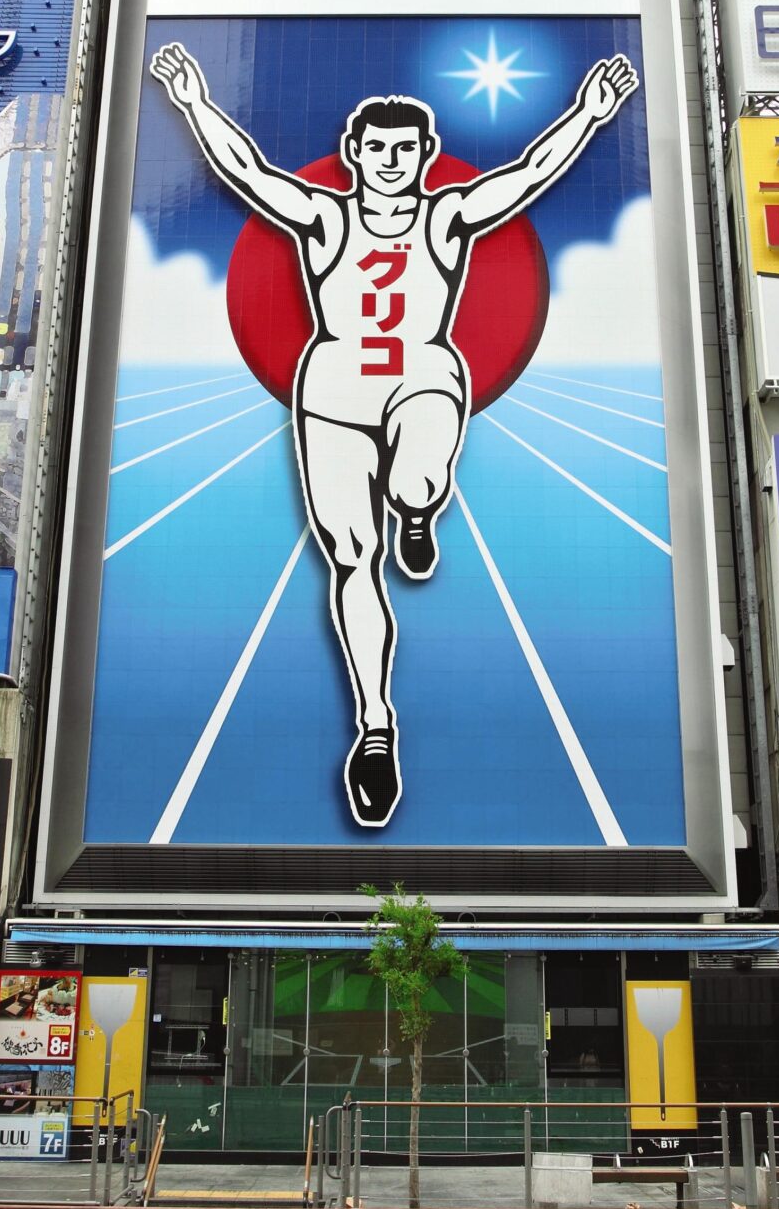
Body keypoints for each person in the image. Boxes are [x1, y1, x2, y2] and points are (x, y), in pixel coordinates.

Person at [150, 41, 638, 827]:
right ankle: (375, 727)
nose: (389, 160)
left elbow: (525, 177)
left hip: (423, 377)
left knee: (416, 480)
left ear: (424, 155)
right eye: (376, 148)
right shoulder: (323, 217)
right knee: (350, 555)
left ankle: (417, 509)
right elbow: (247, 172)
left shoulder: (446, 218)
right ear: (354, 153)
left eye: (404, 149)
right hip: (335, 392)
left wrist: (587, 114)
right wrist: (194, 102)